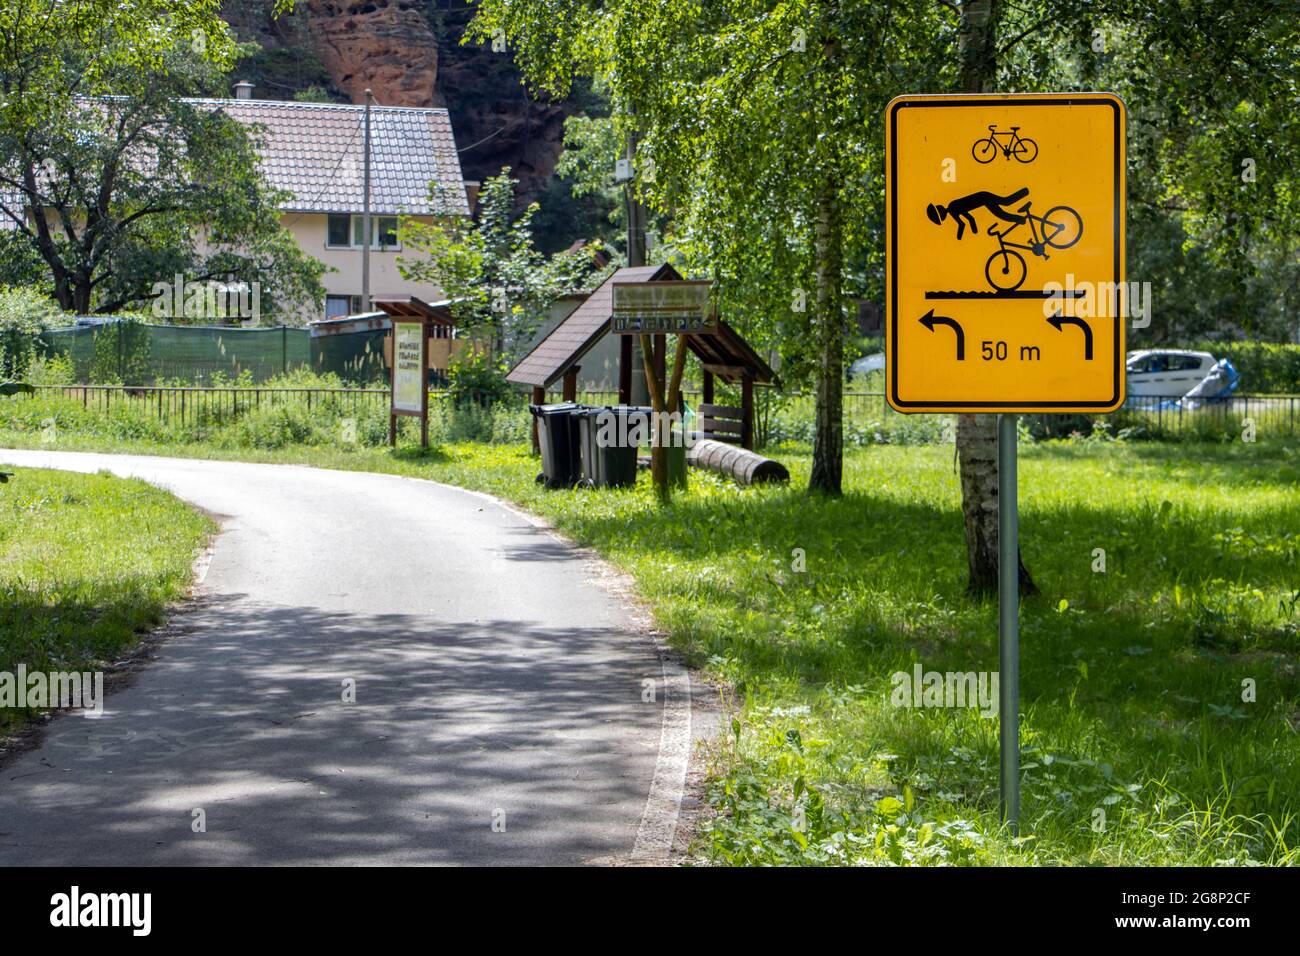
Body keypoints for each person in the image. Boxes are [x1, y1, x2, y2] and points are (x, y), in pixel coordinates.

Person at [926, 187, 1029, 240]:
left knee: (1004, 208)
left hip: (983, 198)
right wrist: (973, 230)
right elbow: (968, 220)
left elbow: (966, 222)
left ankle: (1023, 214)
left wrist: (959, 237)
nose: (943, 217)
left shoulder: (953, 208)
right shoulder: (952, 209)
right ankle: (1024, 194)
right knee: (1005, 203)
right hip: (983, 197)